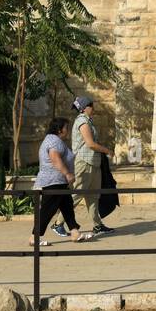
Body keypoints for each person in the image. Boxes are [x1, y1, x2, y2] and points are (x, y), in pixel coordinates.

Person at [54, 95, 113, 238]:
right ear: (86, 107)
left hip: (93, 162)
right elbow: (90, 144)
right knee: (77, 193)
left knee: (93, 196)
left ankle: (97, 225)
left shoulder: (87, 121)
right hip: (84, 163)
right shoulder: (82, 121)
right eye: (92, 106)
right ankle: (58, 223)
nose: (93, 108)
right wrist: (107, 150)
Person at [30, 118, 89, 246]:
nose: (67, 131)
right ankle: (34, 238)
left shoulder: (54, 140)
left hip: (59, 182)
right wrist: (67, 173)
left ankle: (75, 233)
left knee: (67, 207)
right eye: (66, 128)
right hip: (53, 182)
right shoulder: (54, 141)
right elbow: (54, 158)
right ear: (59, 129)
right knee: (47, 211)